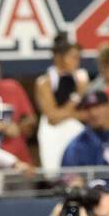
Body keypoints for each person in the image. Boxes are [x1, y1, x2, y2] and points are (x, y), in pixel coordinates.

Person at [34, 35, 89, 175]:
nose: (77, 61)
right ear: (59, 58)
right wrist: (77, 96)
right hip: (53, 134)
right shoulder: (44, 82)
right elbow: (53, 118)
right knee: (56, 173)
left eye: (78, 57)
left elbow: (88, 114)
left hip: (77, 131)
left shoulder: (81, 78)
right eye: (73, 57)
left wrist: (68, 114)